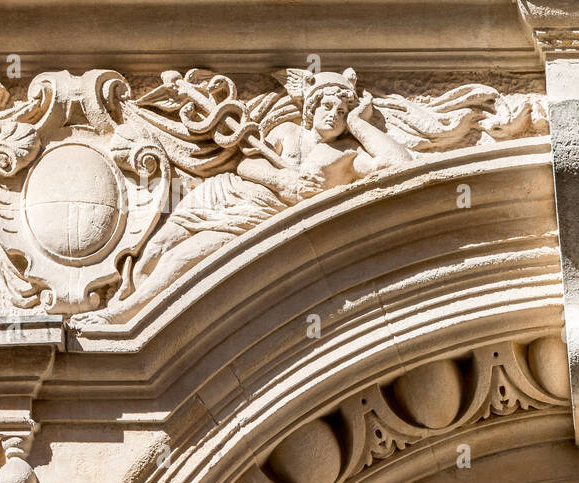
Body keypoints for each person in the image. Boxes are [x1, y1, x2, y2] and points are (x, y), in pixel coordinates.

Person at [75, 68, 411, 325]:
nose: (332, 114)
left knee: (183, 258)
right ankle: (128, 295)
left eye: (341, 111)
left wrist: (360, 123)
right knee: (159, 246)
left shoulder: (347, 155)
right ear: (311, 106)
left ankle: (124, 314)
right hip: (230, 193)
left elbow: (399, 165)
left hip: (255, 219)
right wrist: (283, 180)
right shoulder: (287, 133)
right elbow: (249, 165)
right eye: (326, 106)